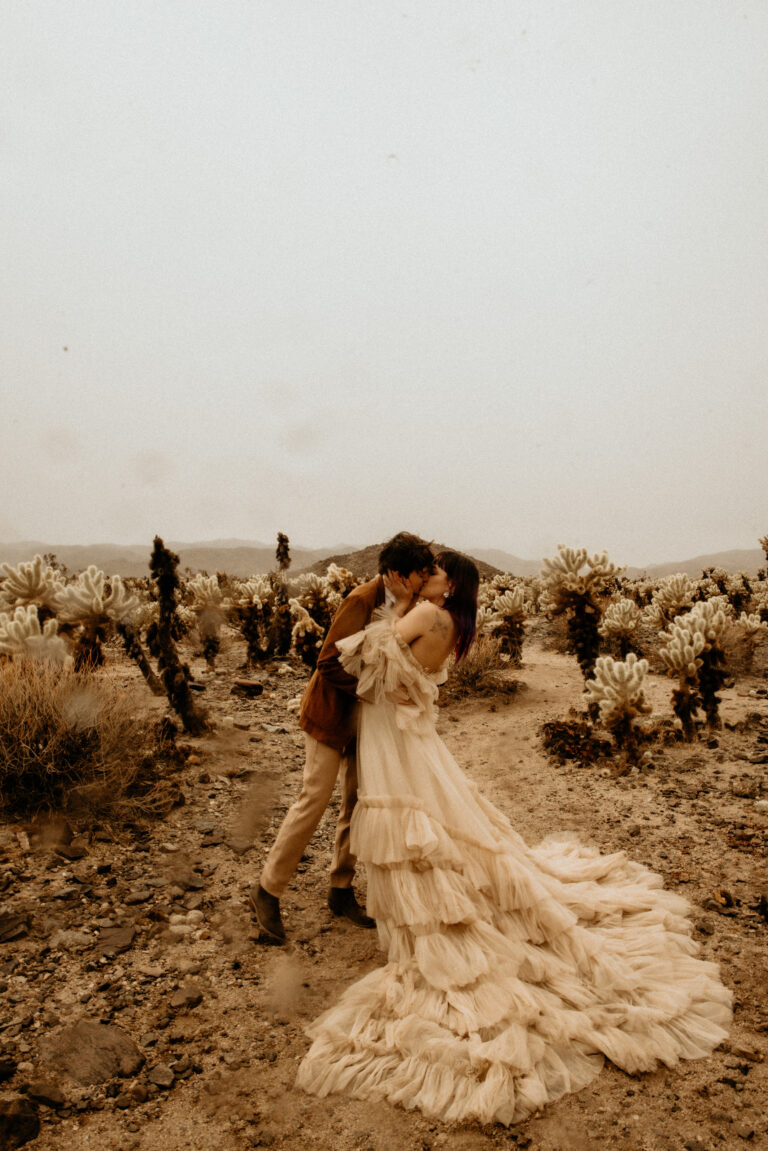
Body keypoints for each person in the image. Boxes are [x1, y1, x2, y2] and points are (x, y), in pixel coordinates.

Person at [296, 551, 732, 1126]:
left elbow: (363, 659)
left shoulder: (426, 616)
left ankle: (428, 919)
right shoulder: (448, 622)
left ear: (444, 583)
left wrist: (392, 608)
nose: (431, 574)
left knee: (418, 826)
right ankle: (420, 906)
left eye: (437, 570)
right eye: (428, 567)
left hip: (392, 736)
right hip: (407, 733)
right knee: (439, 819)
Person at [250, 531, 436, 943]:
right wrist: (376, 689)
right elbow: (328, 662)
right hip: (330, 716)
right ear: (395, 574)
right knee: (314, 799)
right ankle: (267, 889)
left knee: (357, 800)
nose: (424, 582)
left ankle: (340, 888)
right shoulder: (361, 600)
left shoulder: (404, 605)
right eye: (419, 575)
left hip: (366, 722)